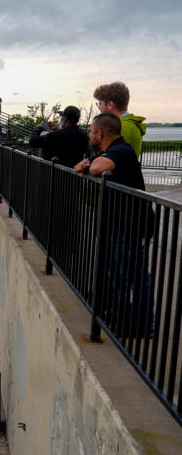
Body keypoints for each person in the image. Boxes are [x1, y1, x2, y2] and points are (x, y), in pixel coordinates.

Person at [75, 113, 153, 338]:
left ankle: (143, 325)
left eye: (91, 131)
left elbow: (98, 168)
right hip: (119, 225)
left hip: (130, 225)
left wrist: (88, 165)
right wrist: (85, 163)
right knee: (117, 273)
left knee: (134, 276)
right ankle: (122, 317)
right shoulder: (110, 150)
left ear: (99, 134)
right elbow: (87, 165)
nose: (90, 135)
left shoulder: (121, 150)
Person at [93, 81, 146, 158]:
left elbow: (108, 158)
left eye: (100, 103)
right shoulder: (132, 124)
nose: (99, 108)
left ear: (110, 105)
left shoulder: (120, 127)